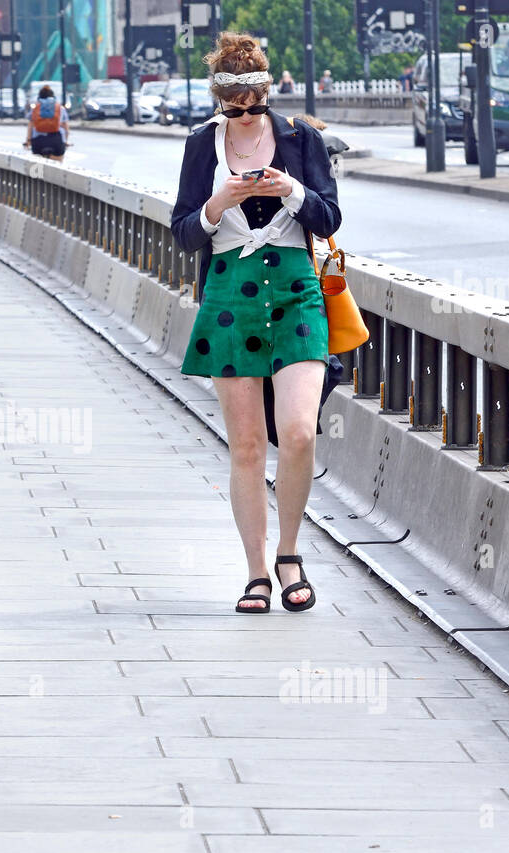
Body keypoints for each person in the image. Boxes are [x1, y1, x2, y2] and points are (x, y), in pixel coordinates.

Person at [169, 31, 341, 615]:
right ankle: (256, 572)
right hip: (229, 293)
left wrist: (290, 189)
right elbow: (183, 229)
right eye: (233, 109)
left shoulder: (300, 139)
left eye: (253, 106)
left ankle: (290, 552)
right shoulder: (201, 145)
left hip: (296, 291)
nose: (244, 118)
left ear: (266, 93)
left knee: (298, 431)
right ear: (219, 100)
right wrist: (217, 204)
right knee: (244, 447)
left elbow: (331, 215)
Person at [24, 84, 69, 162]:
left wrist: (28, 140)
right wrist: (65, 141)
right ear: (53, 97)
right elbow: (66, 128)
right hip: (56, 140)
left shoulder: (36, 108)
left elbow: (30, 126)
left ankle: (39, 173)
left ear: (39, 97)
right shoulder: (60, 108)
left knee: (37, 166)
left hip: (38, 141)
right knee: (59, 165)